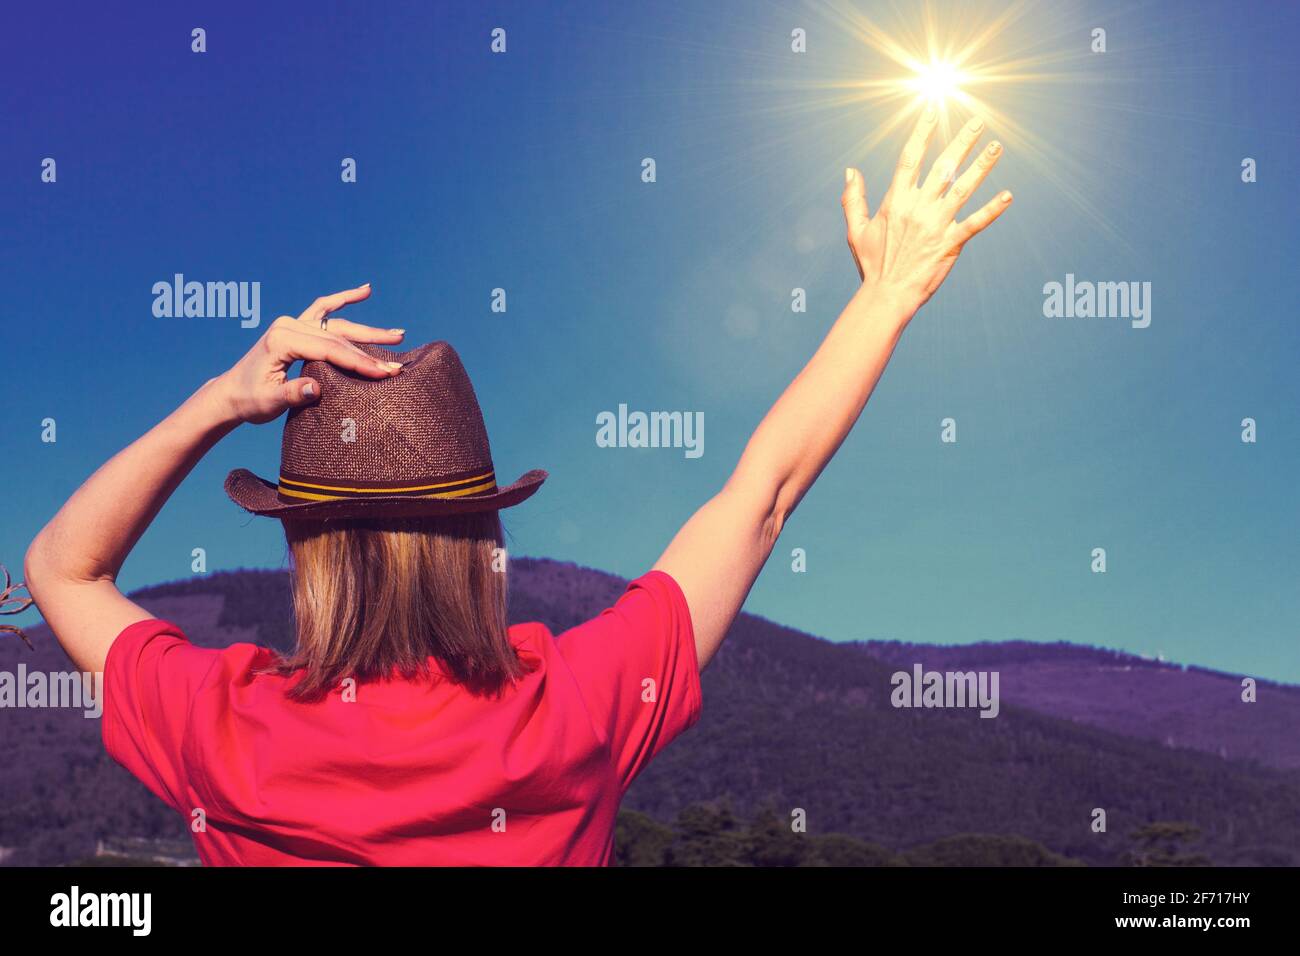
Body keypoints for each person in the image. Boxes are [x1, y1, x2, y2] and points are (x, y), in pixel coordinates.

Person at [23, 107, 1010, 865]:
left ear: (307, 547)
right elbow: (760, 497)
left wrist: (220, 401)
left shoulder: (224, 723)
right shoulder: (573, 704)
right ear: (484, 540)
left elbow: (62, 570)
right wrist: (887, 295)